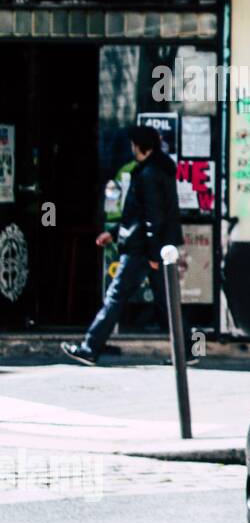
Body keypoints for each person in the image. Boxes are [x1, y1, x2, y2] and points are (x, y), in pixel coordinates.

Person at [62, 125, 185, 366]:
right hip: (151, 246)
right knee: (168, 301)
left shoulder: (149, 174)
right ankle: (187, 351)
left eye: (133, 144)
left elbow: (151, 217)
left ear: (141, 147)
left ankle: (89, 348)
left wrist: (151, 253)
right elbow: (141, 216)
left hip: (142, 249)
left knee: (116, 296)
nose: (130, 148)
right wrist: (115, 232)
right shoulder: (158, 169)